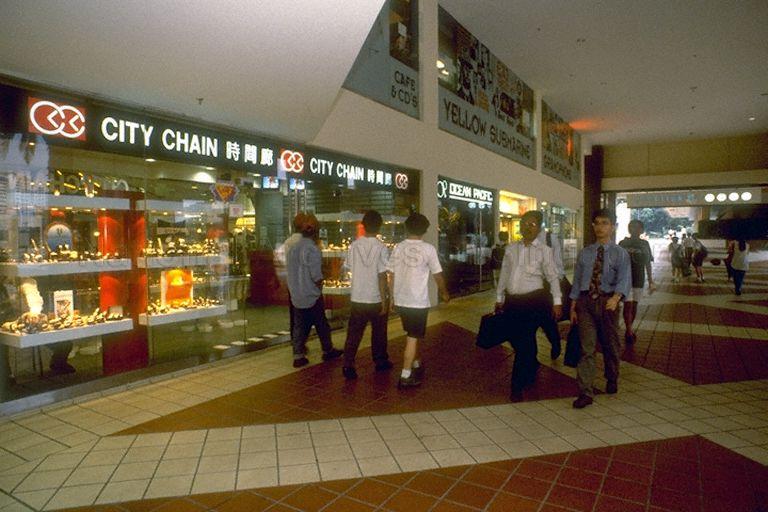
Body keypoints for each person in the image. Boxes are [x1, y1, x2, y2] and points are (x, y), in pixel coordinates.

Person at [495, 211, 561, 401]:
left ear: (539, 228)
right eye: (524, 223)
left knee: (524, 342)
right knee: (517, 340)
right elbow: (504, 273)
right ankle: (532, 364)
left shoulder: (544, 251)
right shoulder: (511, 248)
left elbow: (552, 277)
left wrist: (557, 302)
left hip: (534, 300)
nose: (527, 227)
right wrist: (499, 297)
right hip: (513, 302)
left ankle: (517, 386)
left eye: (532, 224)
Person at [569, 209, 631, 409]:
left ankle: (612, 376)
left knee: (611, 345)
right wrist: (573, 305)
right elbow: (578, 280)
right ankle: (585, 391)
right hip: (586, 303)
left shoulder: (620, 253)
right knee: (587, 348)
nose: (599, 227)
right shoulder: (585, 253)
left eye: (604, 223)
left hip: (608, 303)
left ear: (612, 227)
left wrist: (616, 297)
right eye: (596, 223)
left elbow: (624, 278)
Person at [387, 213, 450, 388]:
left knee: (413, 334)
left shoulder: (398, 248)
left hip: (401, 300)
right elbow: (437, 275)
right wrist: (444, 293)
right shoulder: (428, 249)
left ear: (406, 228)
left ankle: (416, 362)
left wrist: (392, 297)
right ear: (425, 230)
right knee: (413, 337)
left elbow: (390, 275)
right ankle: (405, 375)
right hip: (417, 301)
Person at [286, 214, 342, 367]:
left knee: (299, 325)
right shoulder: (312, 249)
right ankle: (327, 350)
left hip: (296, 293)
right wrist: (320, 285)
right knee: (321, 324)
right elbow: (316, 274)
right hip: (311, 293)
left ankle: (298, 355)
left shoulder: (293, 248)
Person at [341, 210, 392, 379]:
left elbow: (349, 267)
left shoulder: (354, 246)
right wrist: (386, 299)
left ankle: (348, 364)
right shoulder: (381, 247)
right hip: (375, 298)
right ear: (379, 227)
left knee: (354, 333)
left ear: (363, 225)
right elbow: (381, 275)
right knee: (379, 332)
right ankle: (380, 361)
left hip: (357, 297)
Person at [618, 220, 655, 345]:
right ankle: (628, 330)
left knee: (634, 305)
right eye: (631, 227)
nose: (634, 229)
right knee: (627, 305)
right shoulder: (622, 243)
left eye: (637, 227)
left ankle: (629, 327)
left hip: (639, 278)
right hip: (624, 279)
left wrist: (650, 280)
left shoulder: (645, 244)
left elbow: (648, 263)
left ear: (642, 230)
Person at [536, 222, 567, 359]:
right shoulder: (522, 241)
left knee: (546, 318)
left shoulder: (550, 238)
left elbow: (558, 263)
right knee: (528, 320)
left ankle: (555, 342)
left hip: (546, 284)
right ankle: (530, 355)